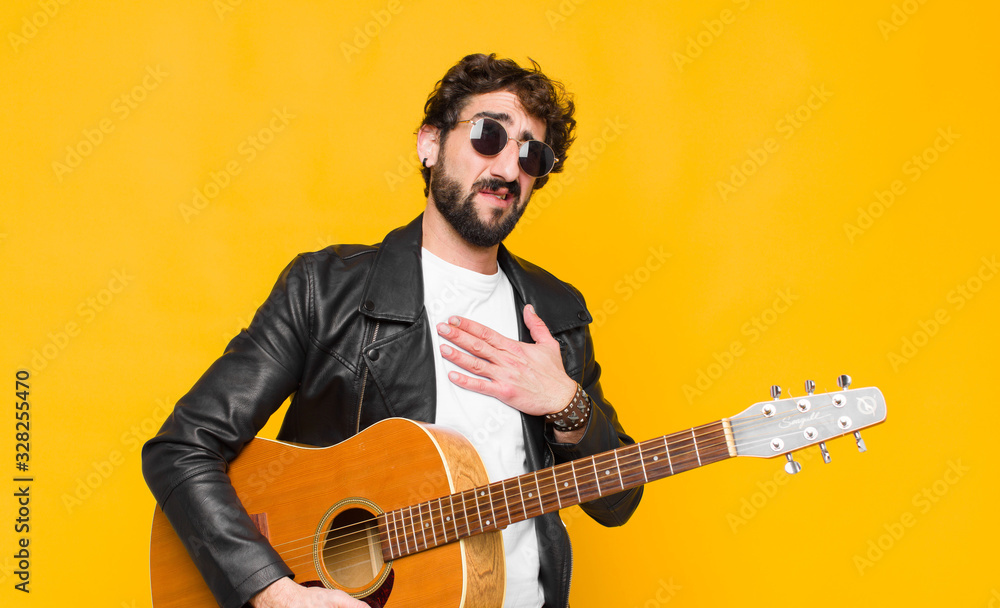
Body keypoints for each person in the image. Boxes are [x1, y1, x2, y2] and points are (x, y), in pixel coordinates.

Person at [142, 53, 642, 608]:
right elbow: (181, 449)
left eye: (532, 154)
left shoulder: (555, 312)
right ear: (430, 144)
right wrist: (271, 591)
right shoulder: (325, 291)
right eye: (487, 136)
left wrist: (567, 404)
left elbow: (617, 502)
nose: (506, 169)